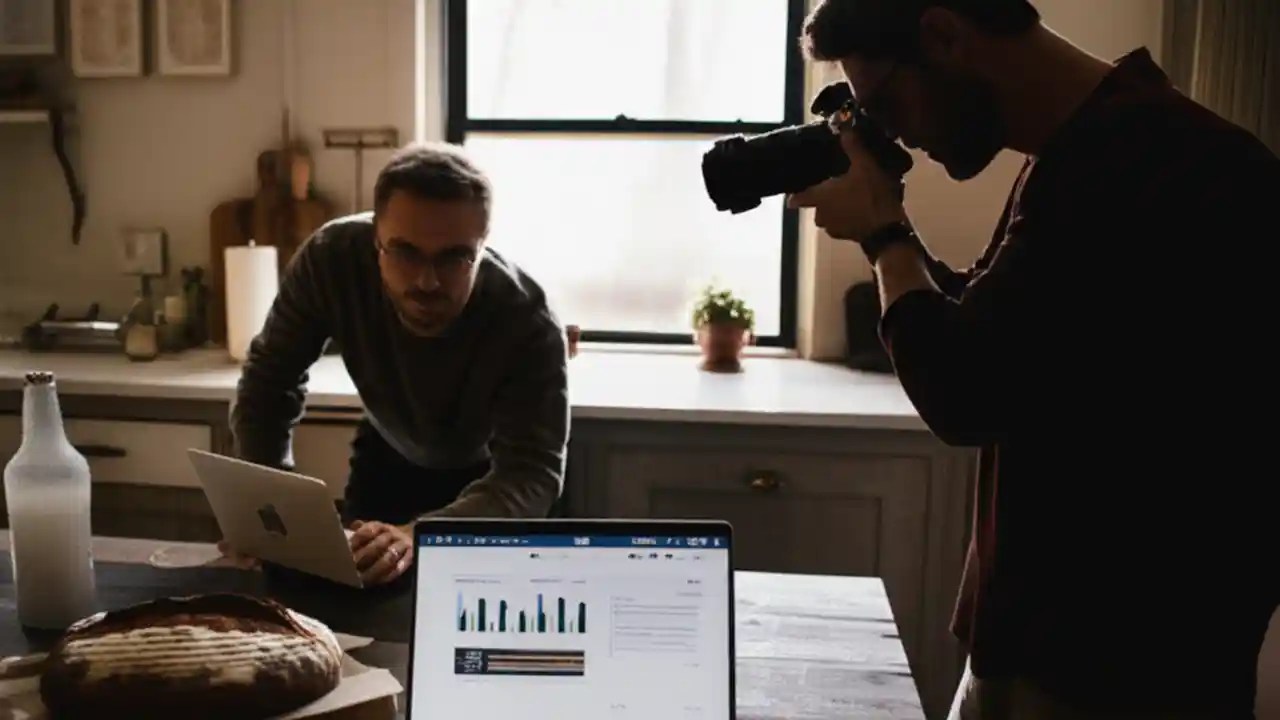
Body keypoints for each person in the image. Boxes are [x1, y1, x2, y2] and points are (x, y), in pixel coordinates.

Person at [787, 1, 1277, 718]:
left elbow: (966, 392)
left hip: (1117, 674)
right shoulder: (1092, 150)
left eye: (885, 104)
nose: (897, 135)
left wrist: (884, 235)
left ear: (943, 34)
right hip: (1055, 654)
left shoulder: (1147, 160)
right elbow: (1000, 336)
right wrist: (887, 229)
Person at [228, 142, 570, 587]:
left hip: (494, 482)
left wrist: (423, 534)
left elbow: (531, 473)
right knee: (351, 608)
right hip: (387, 457)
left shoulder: (528, 318)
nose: (426, 282)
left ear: (483, 248)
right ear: (375, 239)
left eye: (453, 258)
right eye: (405, 252)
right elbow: (268, 383)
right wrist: (267, 505)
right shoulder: (330, 260)